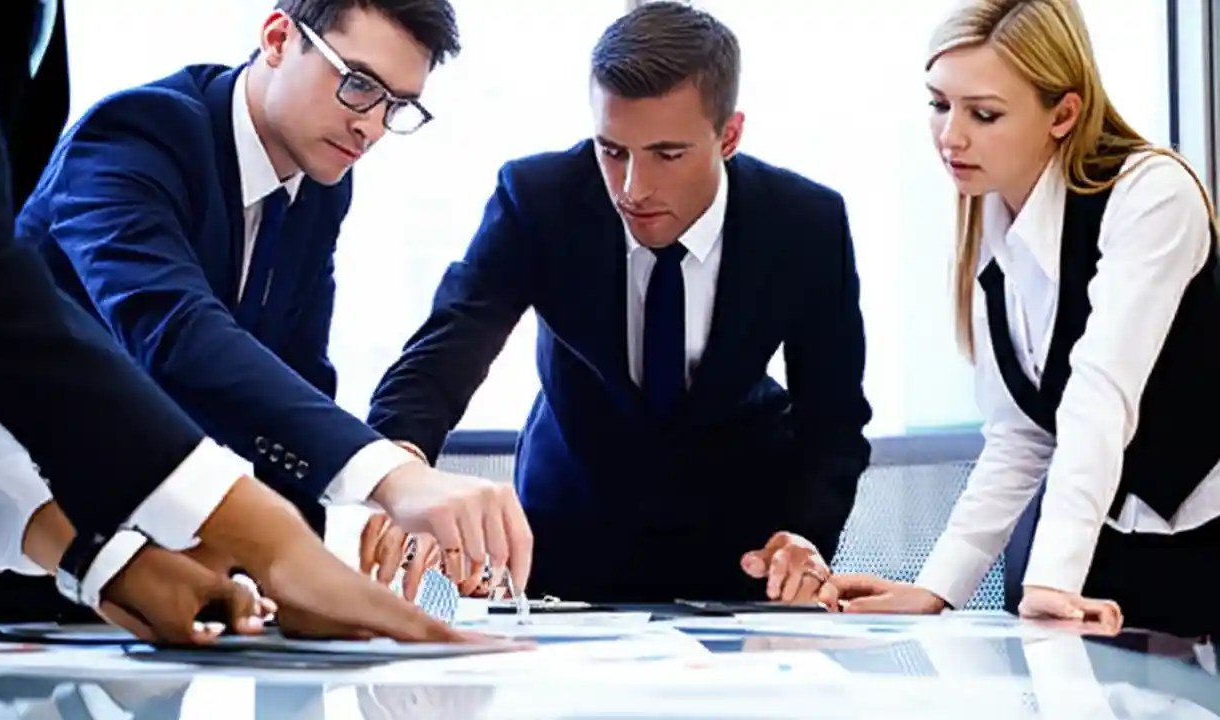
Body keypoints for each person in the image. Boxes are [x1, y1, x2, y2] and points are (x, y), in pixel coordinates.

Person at [0, 0, 483, 644]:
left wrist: (310, 562)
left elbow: (296, 375)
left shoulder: (321, 185)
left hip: (152, 580)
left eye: (397, 106)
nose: (371, 127)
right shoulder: (138, 132)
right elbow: (173, 331)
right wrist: (389, 475)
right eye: (358, 84)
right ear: (279, 39)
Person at [367, 1, 872, 603]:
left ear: (728, 135)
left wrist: (804, 534)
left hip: (741, 552)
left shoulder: (804, 223)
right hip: (564, 541)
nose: (633, 188)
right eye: (612, 150)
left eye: (667, 154)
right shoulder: (538, 199)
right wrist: (400, 469)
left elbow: (833, 417)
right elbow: (447, 348)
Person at [825, 0, 1220, 641]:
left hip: (1201, 535)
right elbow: (1019, 435)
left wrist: (1054, 580)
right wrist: (936, 587)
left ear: (1063, 114)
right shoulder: (989, 214)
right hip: (1096, 547)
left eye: (983, 114)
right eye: (938, 104)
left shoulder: (1151, 193)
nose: (951, 136)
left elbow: (1098, 398)